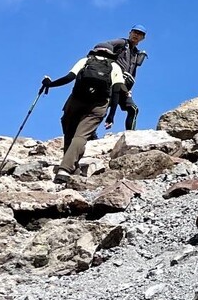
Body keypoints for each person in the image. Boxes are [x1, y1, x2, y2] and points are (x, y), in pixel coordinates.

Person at [41, 46, 131, 183]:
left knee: (69, 133)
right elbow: (116, 91)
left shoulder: (85, 61)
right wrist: (111, 116)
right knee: (81, 136)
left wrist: (50, 84)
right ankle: (66, 169)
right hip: (99, 105)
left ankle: (67, 167)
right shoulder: (115, 67)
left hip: (76, 101)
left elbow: (69, 77)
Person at [92, 26, 148, 131]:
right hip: (113, 82)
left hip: (125, 86)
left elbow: (132, 73)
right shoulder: (122, 43)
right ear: (130, 33)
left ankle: (130, 135)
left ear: (143, 38)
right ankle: (89, 132)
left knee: (133, 109)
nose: (136, 35)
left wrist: (129, 90)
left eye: (139, 34)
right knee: (101, 109)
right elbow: (103, 45)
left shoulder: (136, 53)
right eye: (135, 32)